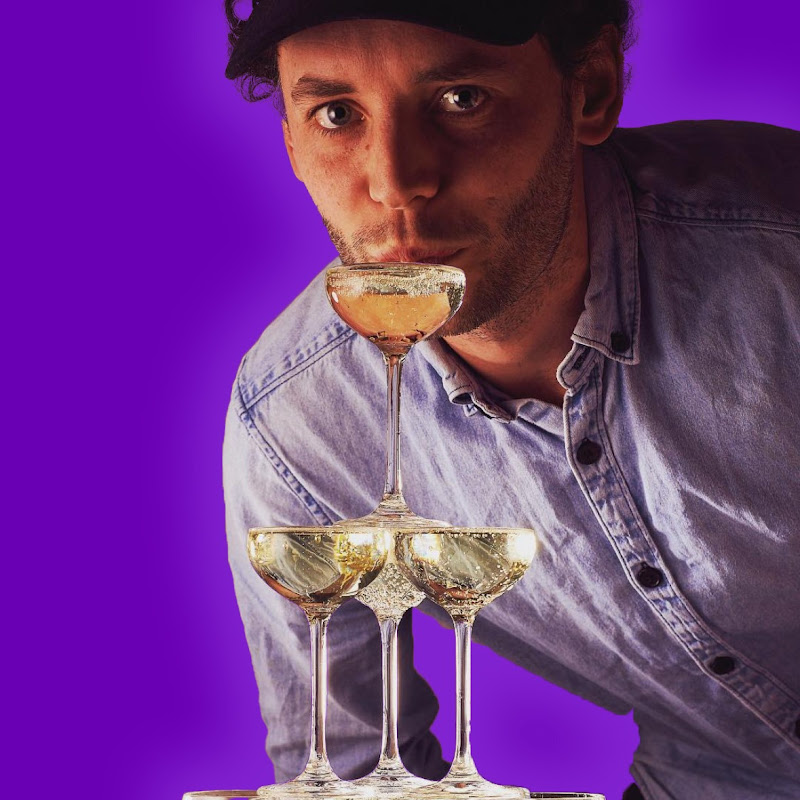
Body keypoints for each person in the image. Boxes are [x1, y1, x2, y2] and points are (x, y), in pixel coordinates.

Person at [220, 2, 800, 798]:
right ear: (290, 138)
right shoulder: (297, 429)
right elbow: (348, 776)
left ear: (590, 90)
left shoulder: (781, 263)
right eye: (337, 114)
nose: (395, 183)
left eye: (461, 99)